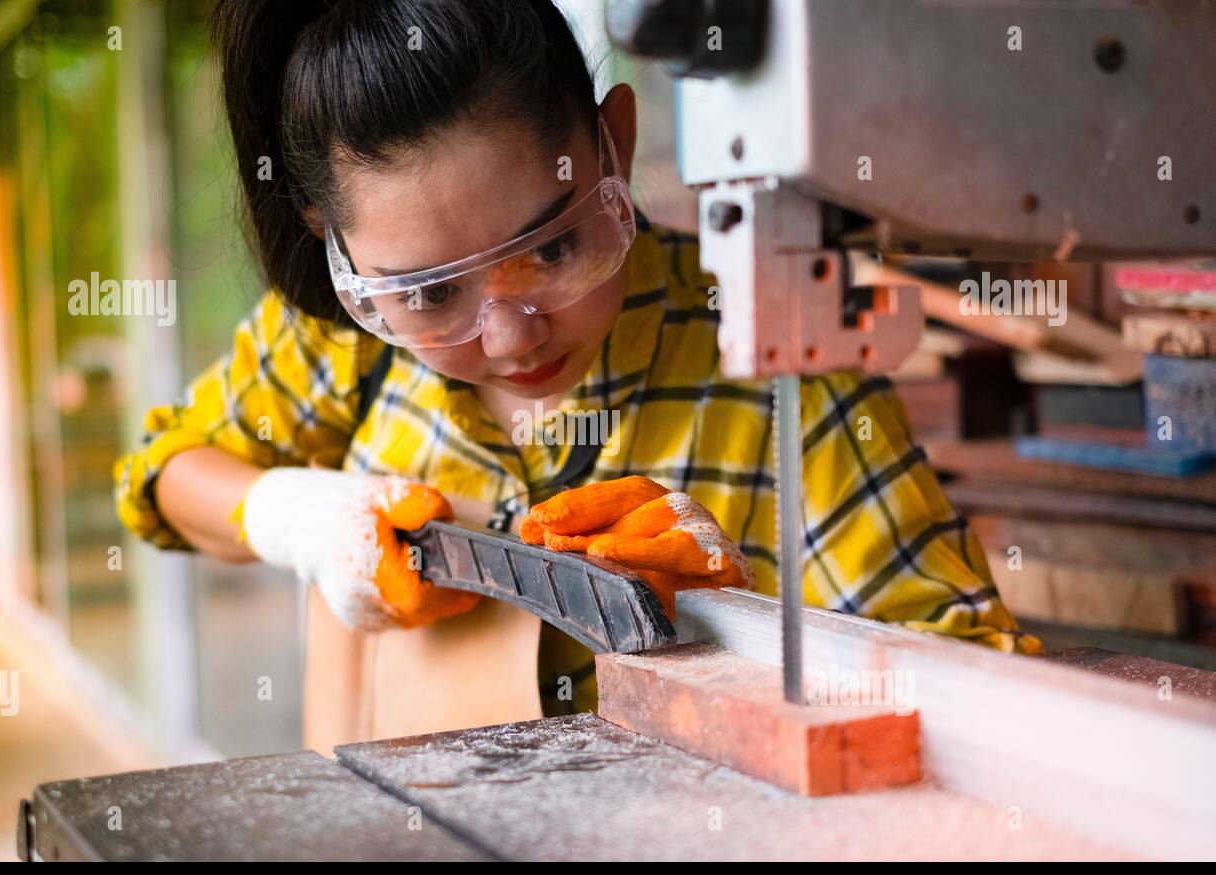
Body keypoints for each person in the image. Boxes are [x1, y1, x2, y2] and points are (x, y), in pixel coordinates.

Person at [114, 0, 1036, 740]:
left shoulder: (771, 358)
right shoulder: (339, 342)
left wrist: (745, 616)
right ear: (340, 255)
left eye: (552, 250)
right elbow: (161, 475)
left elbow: (978, 696)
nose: (512, 339)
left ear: (614, 150)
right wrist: (288, 516)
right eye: (432, 296)